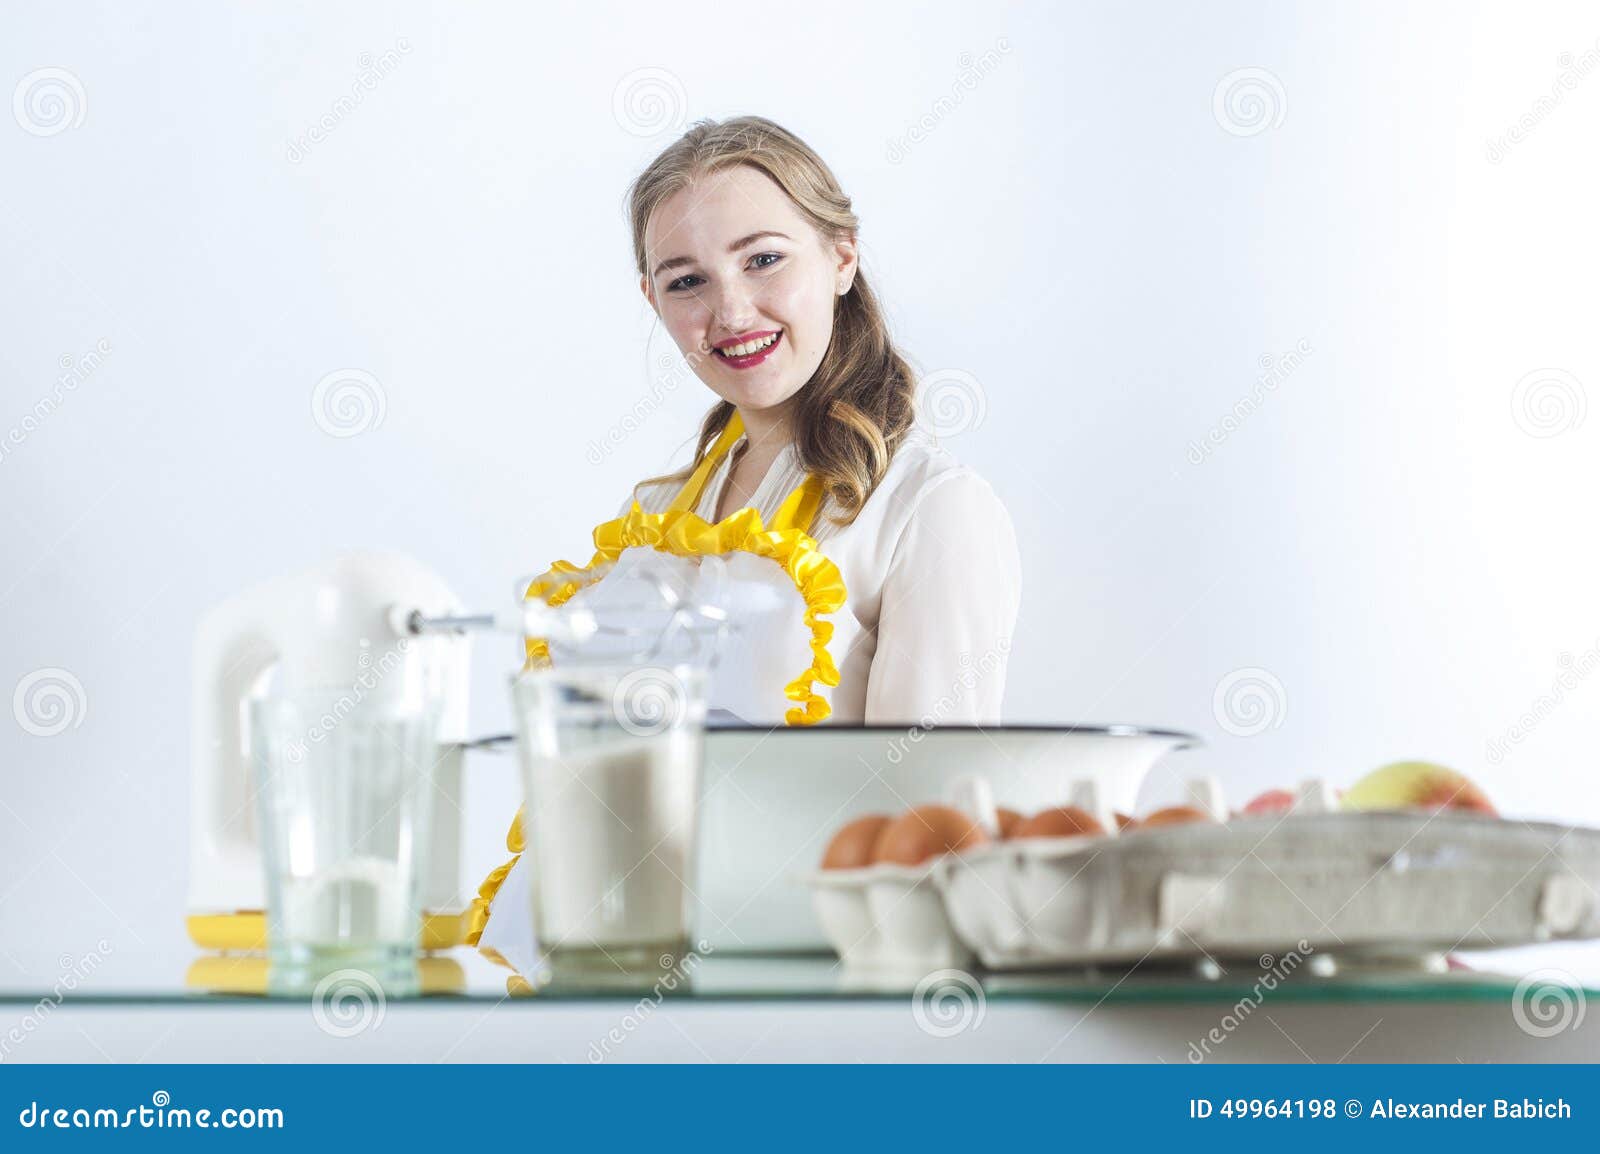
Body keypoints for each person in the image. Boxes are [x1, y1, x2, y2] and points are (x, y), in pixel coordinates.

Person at [468, 115, 1021, 956]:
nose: (730, 310)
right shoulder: (650, 523)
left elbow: (928, 832)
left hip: (786, 989)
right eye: (686, 281)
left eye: (763, 259)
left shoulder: (931, 509)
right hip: (588, 977)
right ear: (652, 300)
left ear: (842, 256)